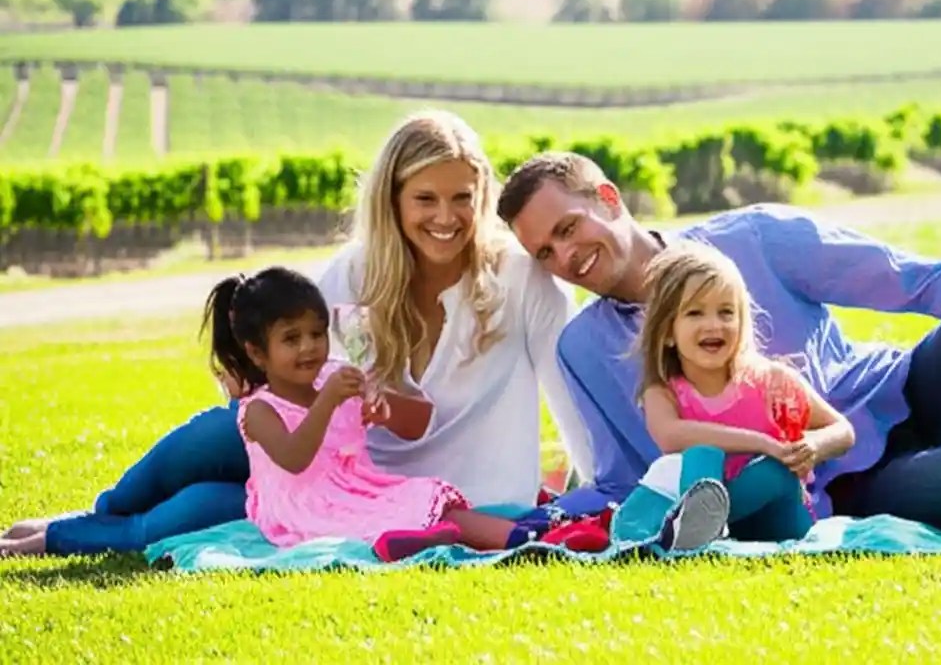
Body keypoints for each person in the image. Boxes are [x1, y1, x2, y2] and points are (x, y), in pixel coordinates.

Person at [495, 150, 941, 533]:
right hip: (840, 481)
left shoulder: (757, 237)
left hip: (901, 395)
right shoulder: (587, 348)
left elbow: (916, 280)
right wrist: (539, 517)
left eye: (568, 229)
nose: (567, 259)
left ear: (609, 201)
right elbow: (634, 476)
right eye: (546, 254)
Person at [0, 111, 596, 558]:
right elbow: (298, 375)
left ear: (481, 197)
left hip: (436, 489)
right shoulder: (355, 272)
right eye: (425, 199)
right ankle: (98, 511)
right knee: (212, 434)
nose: (446, 217)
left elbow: (574, 406)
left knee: (201, 510)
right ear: (392, 201)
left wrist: (594, 491)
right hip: (324, 463)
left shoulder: (523, 284)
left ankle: (64, 535)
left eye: (462, 198)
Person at [197, 266, 606, 560]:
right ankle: (427, 540)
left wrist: (385, 409)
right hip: (307, 508)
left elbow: (419, 423)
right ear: (256, 352)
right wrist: (327, 403)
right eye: (291, 338)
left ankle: (536, 536)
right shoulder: (259, 411)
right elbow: (294, 457)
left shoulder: (337, 375)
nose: (309, 347)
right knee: (389, 518)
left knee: (428, 498)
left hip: (361, 487)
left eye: (317, 334)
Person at [632, 240, 855, 549]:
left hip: (776, 518)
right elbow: (671, 436)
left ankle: (698, 525)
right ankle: (699, 524)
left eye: (726, 312)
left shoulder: (770, 381)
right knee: (701, 454)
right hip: (708, 510)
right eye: (695, 313)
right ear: (668, 332)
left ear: (742, 322)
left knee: (777, 469)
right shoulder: (663, 391)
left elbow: (843, 431)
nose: (713, 325)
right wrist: (765, 443)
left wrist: (813, 445)